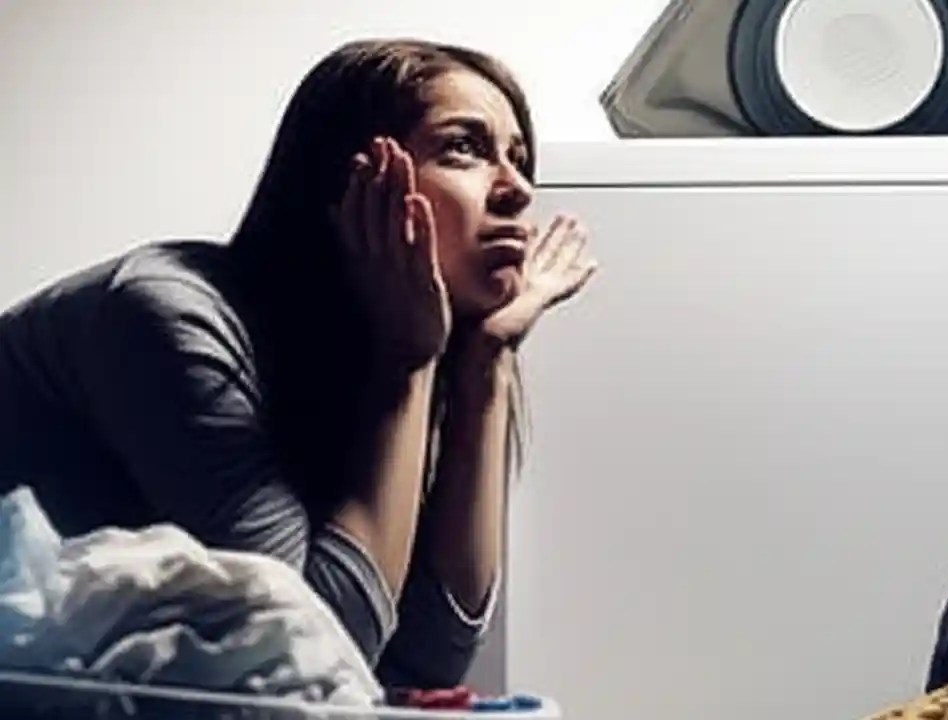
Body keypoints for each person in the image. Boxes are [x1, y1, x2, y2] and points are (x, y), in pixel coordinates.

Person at [0, 38, 597, 689]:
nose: (516, 188)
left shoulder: (395, 353)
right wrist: (408, 364)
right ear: (348, 184)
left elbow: (426, 662)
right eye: (465, 147)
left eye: (518, 158)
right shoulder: (165, 314)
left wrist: (489, 363)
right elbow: (309, 651)